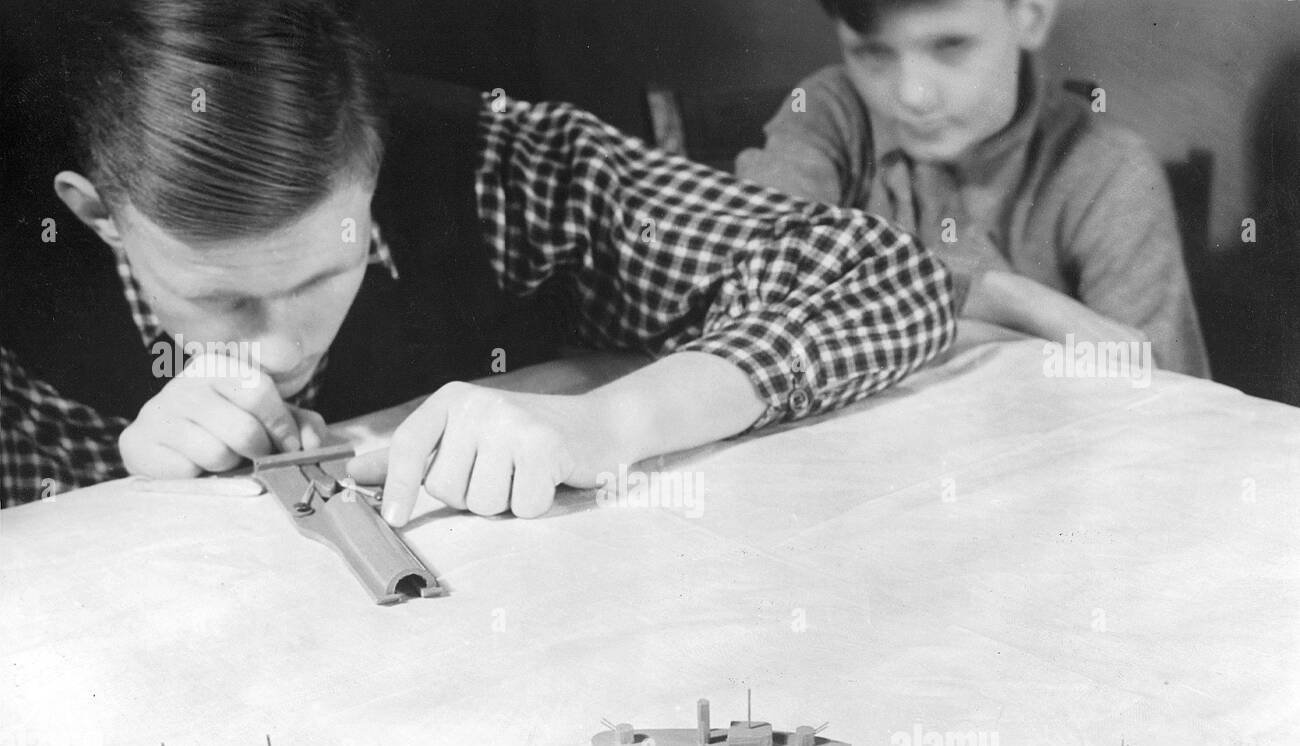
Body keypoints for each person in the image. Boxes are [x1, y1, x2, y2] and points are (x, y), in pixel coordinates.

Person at [0, 0, 957, 519]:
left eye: (323, 274)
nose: (284, 351)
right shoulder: (20, 323)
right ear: (98, 217)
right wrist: (117, 504)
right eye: (220, 298)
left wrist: (607, 422)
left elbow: (879, 276)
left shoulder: (497, 160)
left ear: (374, 165)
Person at [736, 0, 1210, 376]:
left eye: (950, 46)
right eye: (873, 52)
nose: (912, 95)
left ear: (1030, 15)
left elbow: (1163, 403)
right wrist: (1012, 301)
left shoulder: (1110, 170)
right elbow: (756, 290)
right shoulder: (827, 113)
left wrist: (873, 320)